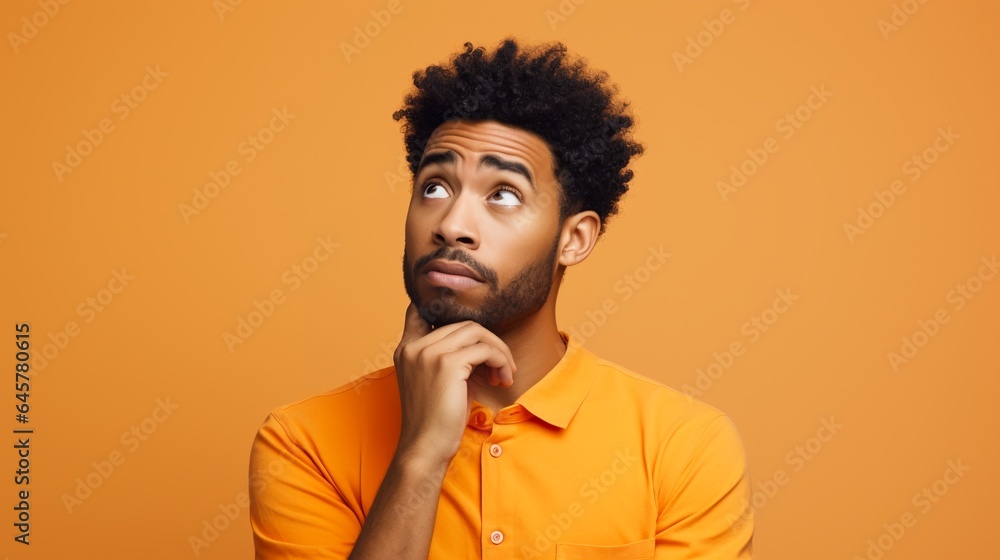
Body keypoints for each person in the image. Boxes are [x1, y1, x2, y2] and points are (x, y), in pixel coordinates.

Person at [248, 37, 754, 559]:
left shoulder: (684, 447)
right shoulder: (303, 441)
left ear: (574, 239)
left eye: (503, 195)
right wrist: (420, 457)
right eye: (435, 187)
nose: (451, 225)